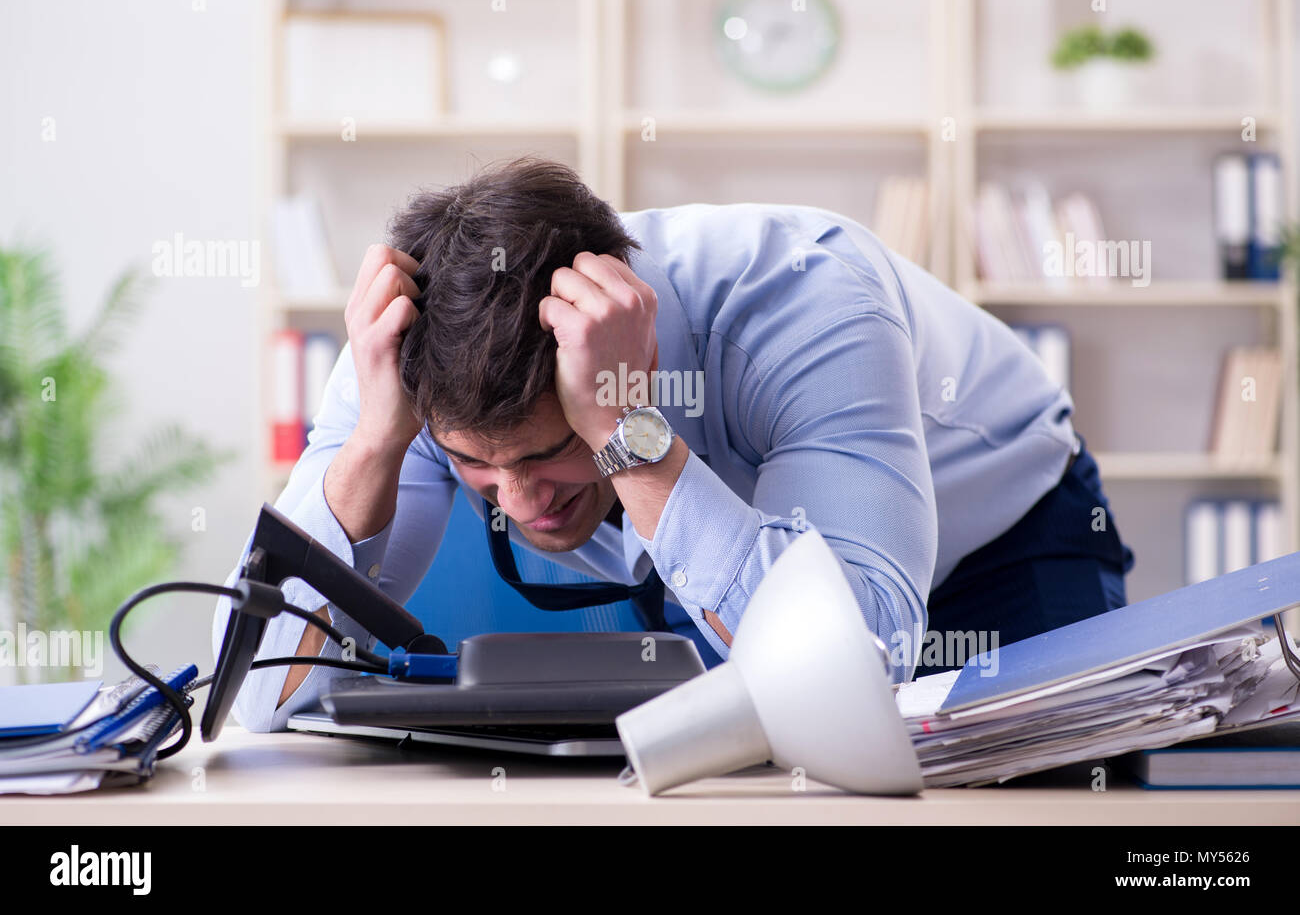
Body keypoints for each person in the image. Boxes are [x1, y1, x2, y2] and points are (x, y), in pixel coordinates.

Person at [212, 156, 1134, 732]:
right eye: (473, 466)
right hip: (757, 570)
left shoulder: (810, 296)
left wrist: (619, 426)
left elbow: (857, 663)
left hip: (1007, 542)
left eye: (542, 453)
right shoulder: (410, 354)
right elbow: (251, 699)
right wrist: (375, 443)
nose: (517, 500)